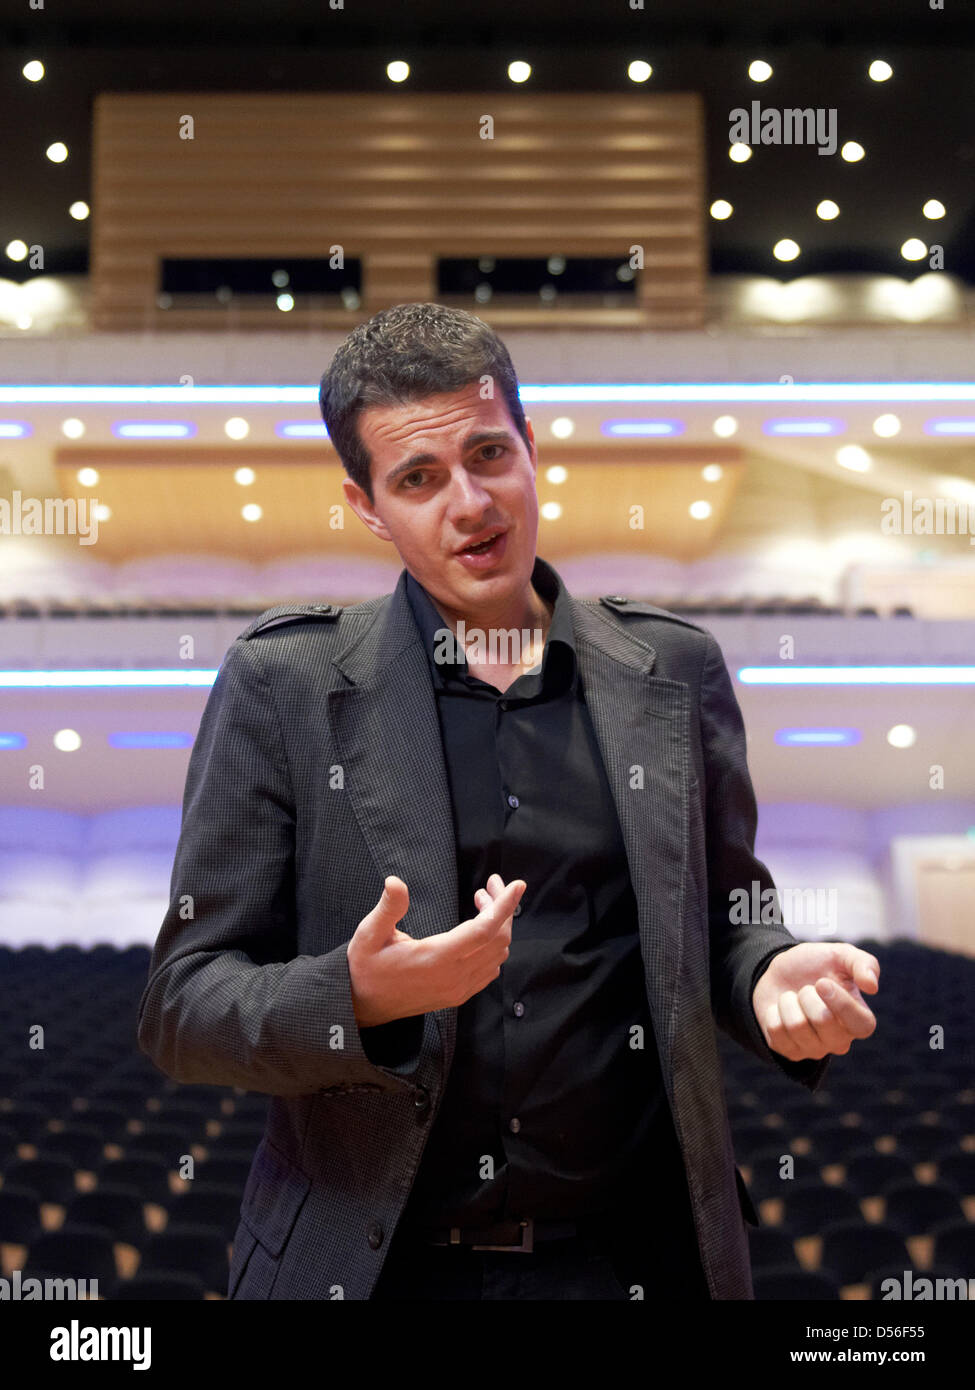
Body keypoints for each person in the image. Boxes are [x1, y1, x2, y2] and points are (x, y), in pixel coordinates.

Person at [137, 301, 880, 1301]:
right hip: (379, 1272)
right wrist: (356, 998)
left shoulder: (678, 669)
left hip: (637, 1266)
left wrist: (773, 973)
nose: (469, 501)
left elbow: (724, 925)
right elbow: (183, 1005)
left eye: (489, 453)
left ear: (533, 448)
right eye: (418, 477)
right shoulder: (284, 687)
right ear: (366, 506)